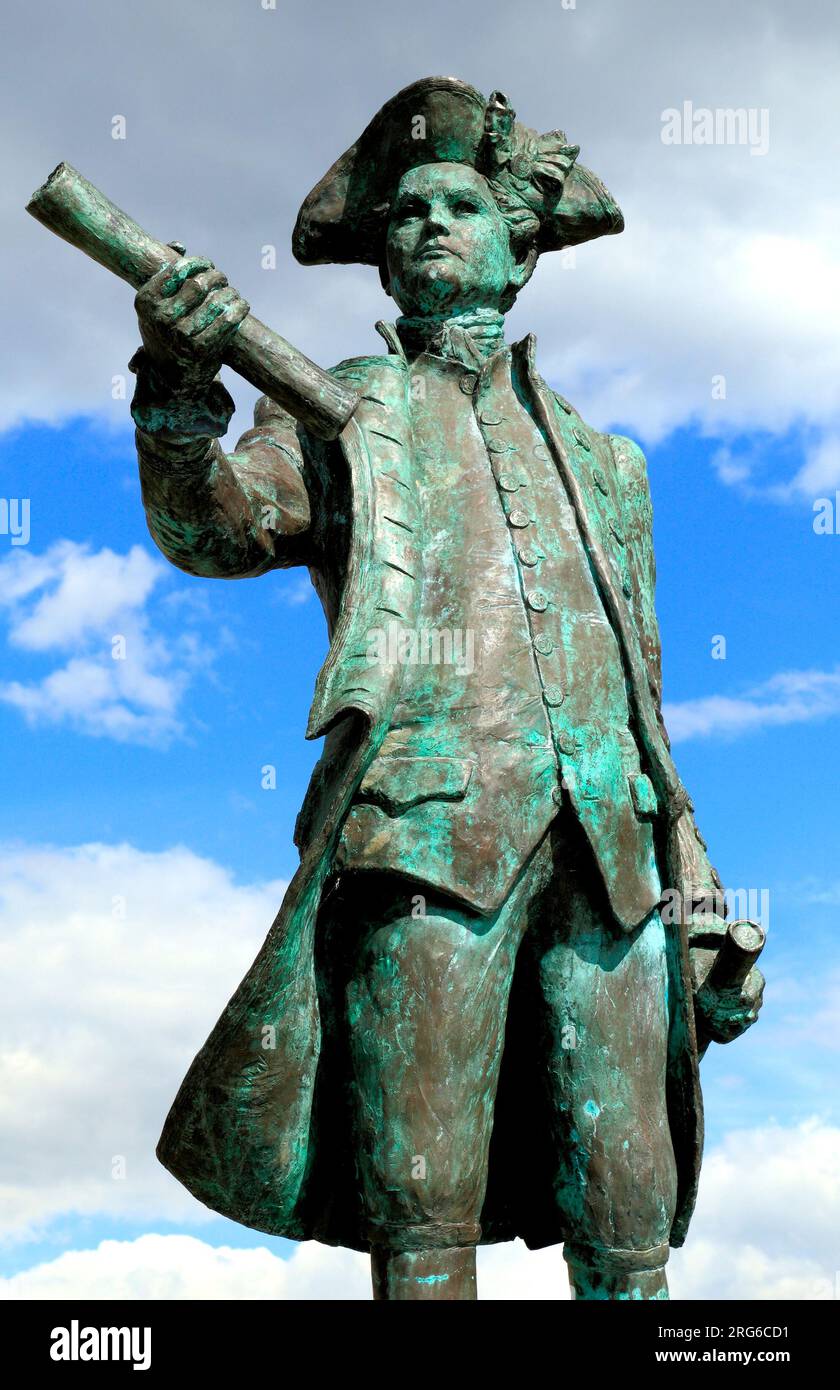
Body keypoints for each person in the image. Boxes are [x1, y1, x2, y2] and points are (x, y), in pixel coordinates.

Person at [131, 77, 764, 1300]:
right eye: (407, 210)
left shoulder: (606, 461)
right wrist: (173, 394)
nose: (428, 222)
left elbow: (645, 693)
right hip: (422, 839)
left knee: (632, 1213)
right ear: (381, 266)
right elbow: (216, 528)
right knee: (424, 1209)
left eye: (461, 204)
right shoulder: (339, 408)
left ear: (518, 251)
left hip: (612, 852)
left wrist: (695, 873)